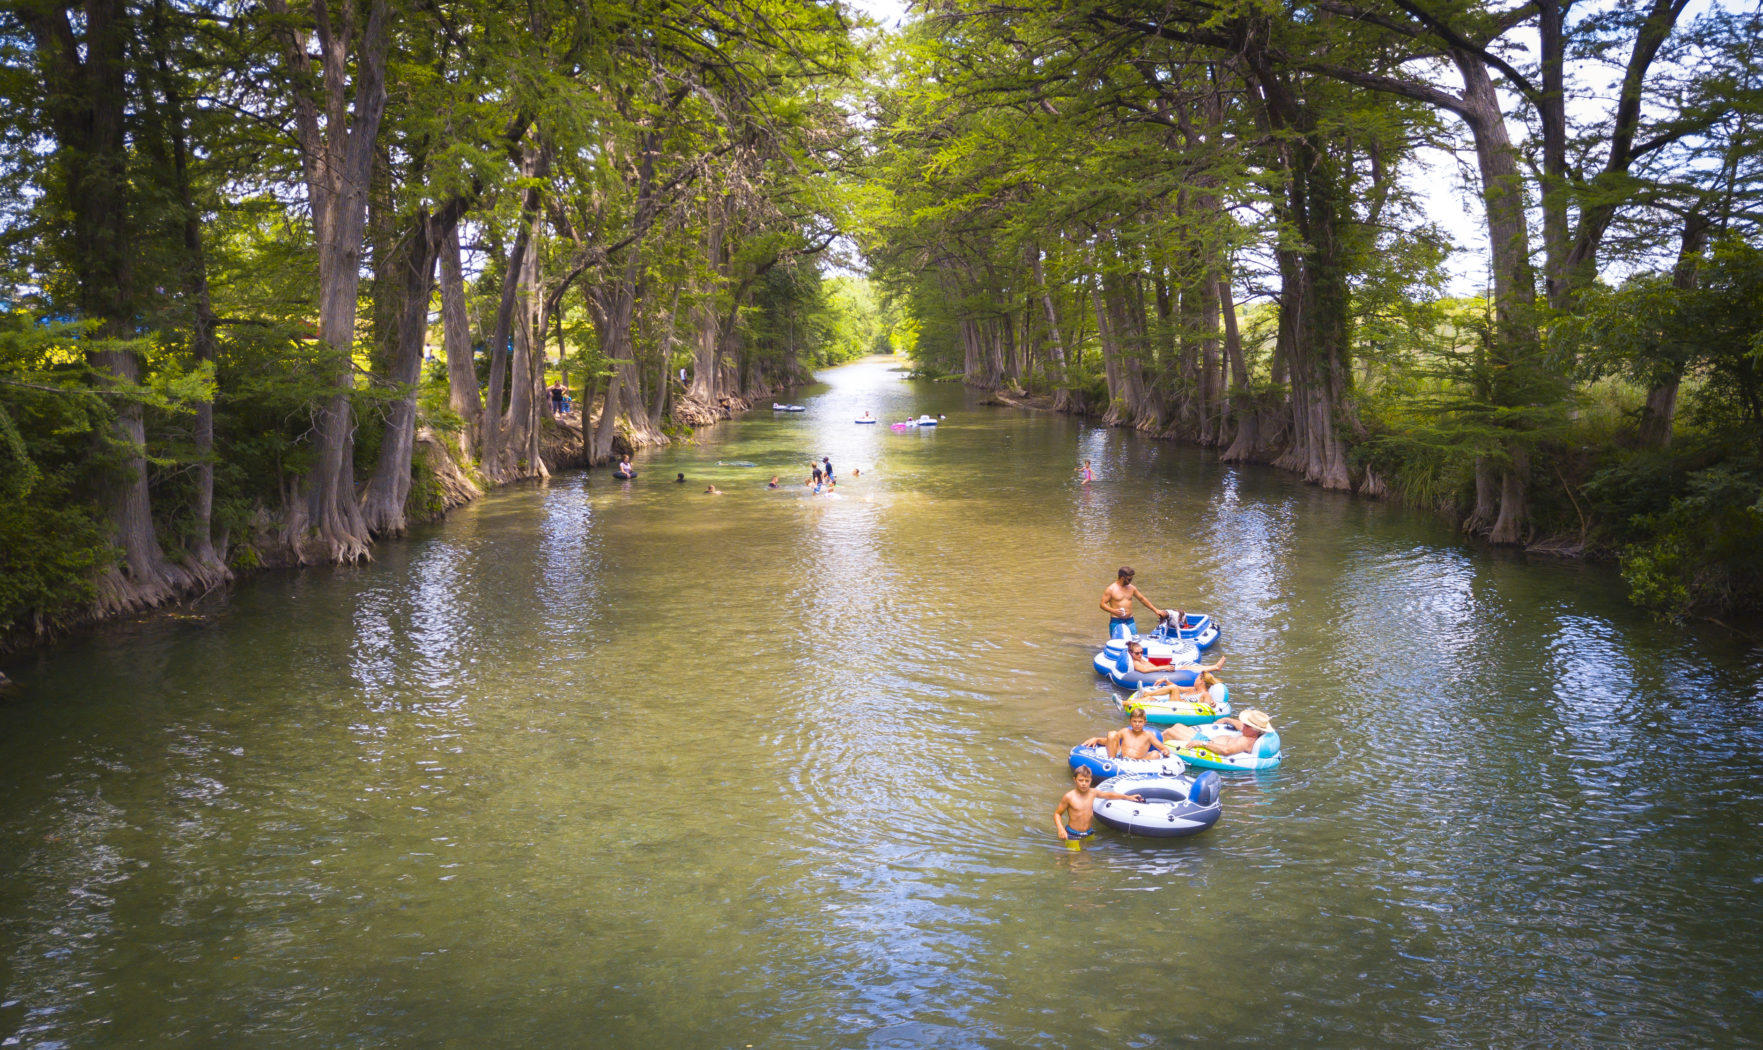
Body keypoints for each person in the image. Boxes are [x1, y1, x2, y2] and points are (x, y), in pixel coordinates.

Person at [1054, 765, 1144, 842]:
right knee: (1074, 859)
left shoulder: (1093, 793)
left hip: (1089, 832)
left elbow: (1109, 795)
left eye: (1087, 781)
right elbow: (1057, 814)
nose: (1084, 784)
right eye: (1080, 780)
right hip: (1072, 834)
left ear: (1091, 780)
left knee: (1087, 858)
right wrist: (1061, 829)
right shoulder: (1069, 797)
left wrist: (1128, 797)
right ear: (1075, 780)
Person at [1161, 709, 1273, 755]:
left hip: (1207, 746)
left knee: (1169, 732)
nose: (1243, 726)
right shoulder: (1249, 732)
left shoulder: (1246, 740)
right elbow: (1239, 725)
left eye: (1247, 725)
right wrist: (1226, 719)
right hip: (1208, 741)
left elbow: (1226, 750)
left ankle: (1151, 749)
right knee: (1177, 726)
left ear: (1256, 730)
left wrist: (1202, 743)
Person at [1080, 708, 1172, 761]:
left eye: (1140, 722)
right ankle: (1111, 763)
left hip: (1139, 762)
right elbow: (1110, 741)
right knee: (1112, 733)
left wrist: (1165, 750)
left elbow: (1162, 748)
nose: (1137, 724)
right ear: (1130, 721)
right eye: (1134, 721)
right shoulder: (1125, 731)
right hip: (1121, 759)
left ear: (1145, 722)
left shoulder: (1148, 735)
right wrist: (1097, 739)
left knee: (1155, 754)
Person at [1100, 566, 1164, 639]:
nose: (1130, 581)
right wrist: (1113, 611)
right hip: (1116, 620)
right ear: (1122, 577)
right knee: (1117, 642)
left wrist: (1155, 610)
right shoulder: (1111, 589)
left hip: (1130, 620)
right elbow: (1102, 604)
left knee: (1134, 641)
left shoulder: (1131, 588)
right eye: (1129, 579)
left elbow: (1142, 599)